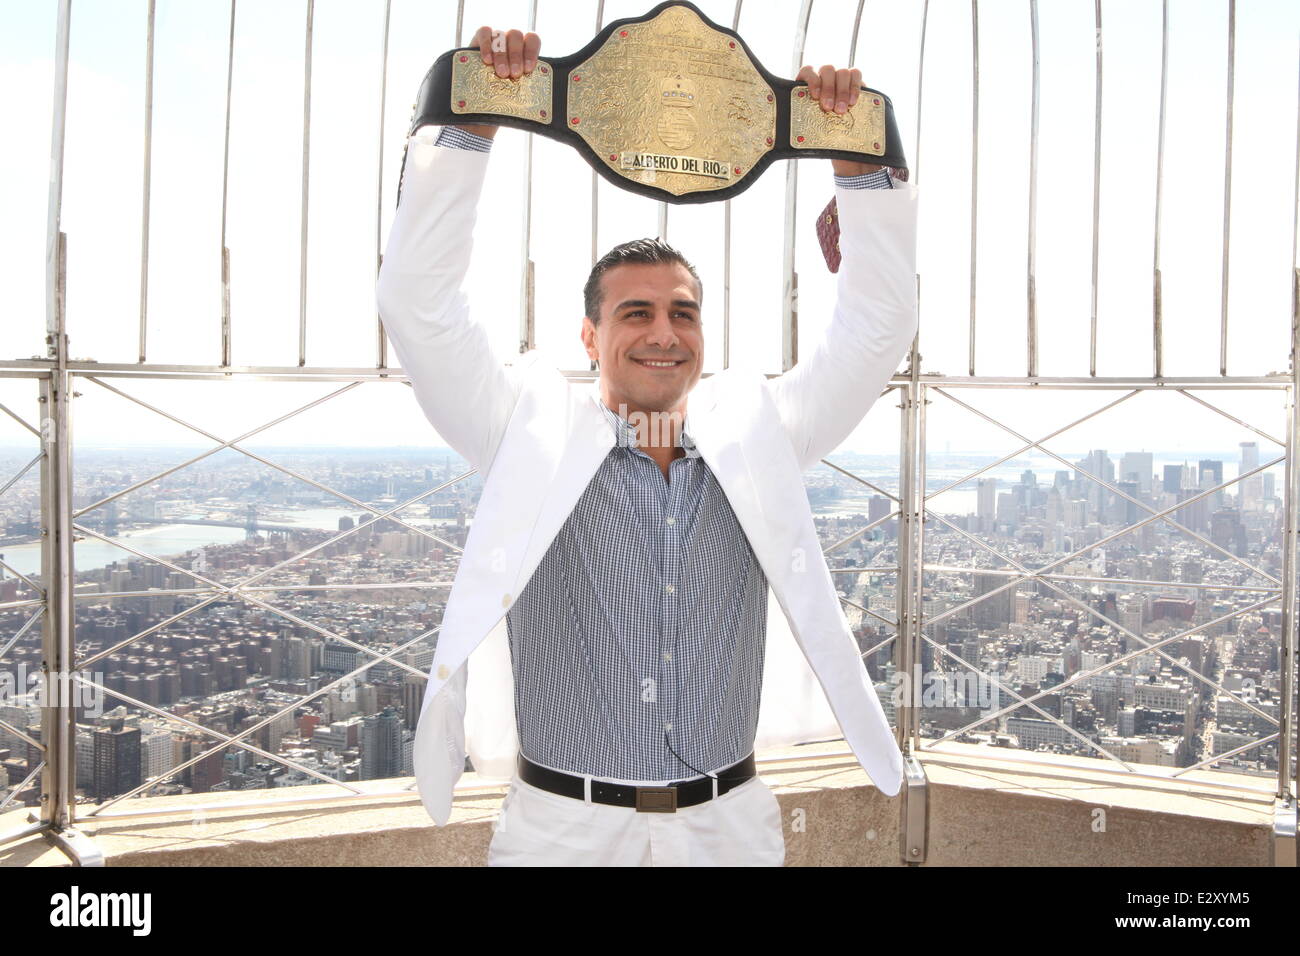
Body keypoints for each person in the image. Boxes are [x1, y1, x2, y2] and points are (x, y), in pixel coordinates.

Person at [377, 25, 919, 866]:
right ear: (590, 337)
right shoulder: (522, 433)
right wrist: (473, 116)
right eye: (636, 314)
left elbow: (878, 328)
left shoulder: (760, 437)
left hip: (729, 825)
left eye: (683, 312)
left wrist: (856, 159)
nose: (664, 334)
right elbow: (418, 303)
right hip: (562, 831)